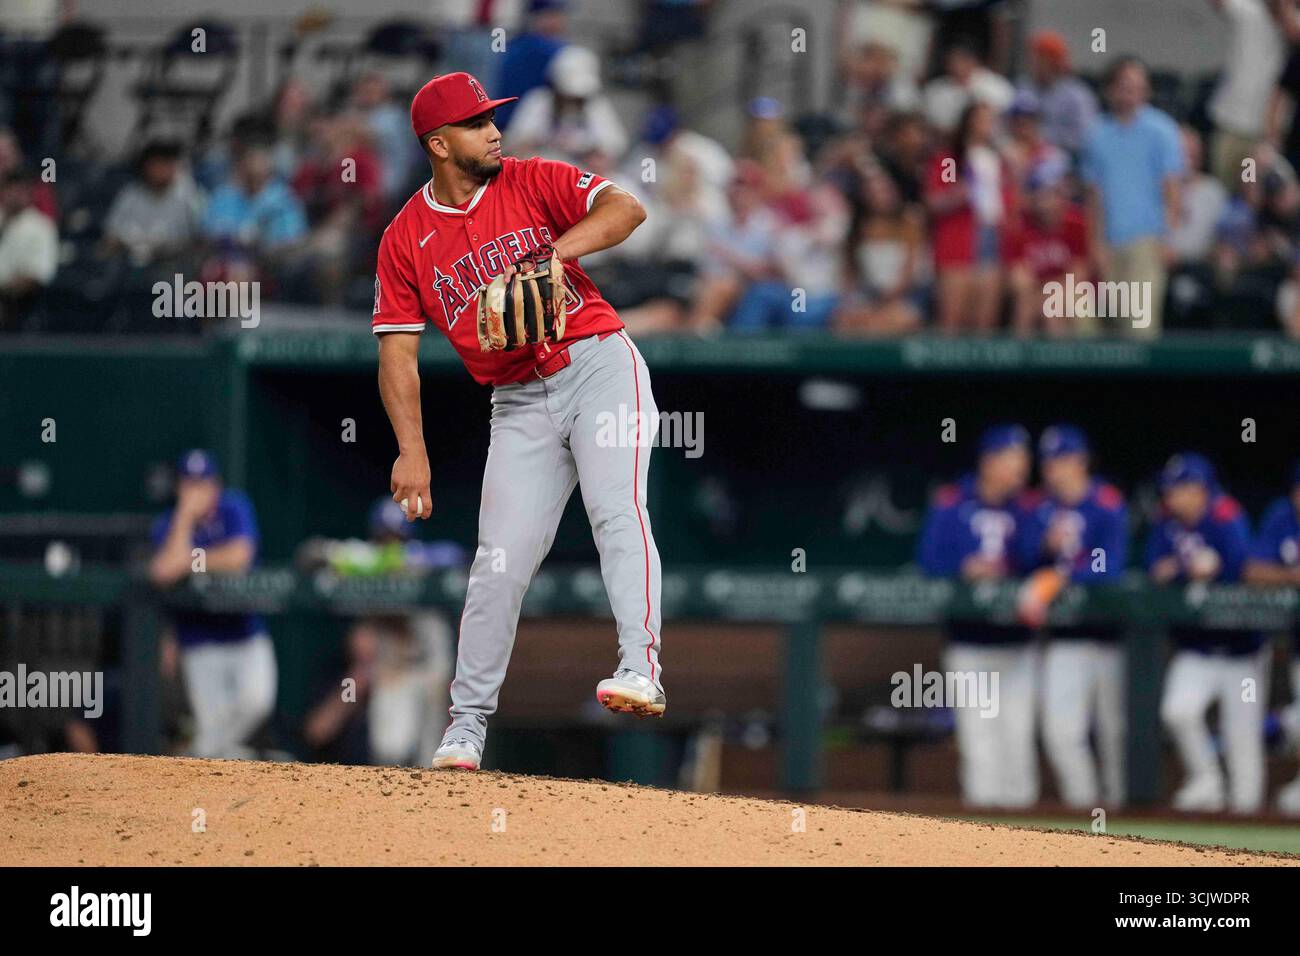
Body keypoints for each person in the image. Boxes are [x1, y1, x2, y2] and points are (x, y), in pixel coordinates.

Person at [373, 72, 662, 771]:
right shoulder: (405, 238)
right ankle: (466, 727)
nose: (494, 130)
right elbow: (398, 355)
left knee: (616, 511)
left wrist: (554, 252)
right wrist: (412, 450)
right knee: (496, 567)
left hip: (597, 364)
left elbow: (628, 209)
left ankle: (640, 667)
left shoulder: (532, 180)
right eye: (476, 124)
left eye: (492, 118)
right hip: (517, 401)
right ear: (439, 144)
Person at [917, 424, 1038, 808]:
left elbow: (1040, 561)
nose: (1020, 468)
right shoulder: (953, 502)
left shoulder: (1030, 508)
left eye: (1023, 460)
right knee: (978, 739)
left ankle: (1028, 837)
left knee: (1017, 735)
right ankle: (983, 838)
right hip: (968, 642)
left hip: (1018, 643)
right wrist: (964, 567)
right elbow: (929, 561)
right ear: (989, 462)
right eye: (1011, 459)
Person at [1018, 426, 1128, 808]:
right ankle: (1087, 811)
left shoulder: (1106, 503)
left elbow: (1109, 567)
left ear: (1081, 461)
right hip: (1066, 639)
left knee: (1115, 733)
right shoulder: (1041, 509)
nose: (1054, 469)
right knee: (1060, 732)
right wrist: (1044, 549)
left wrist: (1065, 574)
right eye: (1048, 461)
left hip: (1112, 638)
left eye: (1062, 460)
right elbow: (1023, 561)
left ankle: (1127, 817)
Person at [1148, 453, 1264, 814]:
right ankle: (1208, 779)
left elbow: (1243, 569)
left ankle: (1250, 825)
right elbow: (1155, 569)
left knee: (1241, 738)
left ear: (1201, 489)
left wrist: (1214, 569)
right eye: (1170, 489)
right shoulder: (1166, 525)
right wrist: (1185, 568)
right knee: (1177, 712)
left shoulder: (1226, 515)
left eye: (1182, 488)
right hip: (1196, 649)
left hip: (1240, 651)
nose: (1173, 496)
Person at [301, 498, 455, 766]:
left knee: (432, 752)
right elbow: (310, 554)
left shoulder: (421, 559)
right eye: (384, 538)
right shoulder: (362, 561)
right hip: (393, 667)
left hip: (428, 664)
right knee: (389, 751)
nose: (391, 544)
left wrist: (399, 560)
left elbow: (454, 555)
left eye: (397, 538)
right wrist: (344, 557)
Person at [147, 450, 277, 760]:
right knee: (212, 725)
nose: (196, 492)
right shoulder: (169, 522)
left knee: (256, 702)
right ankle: (213, 758)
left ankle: (200, 752)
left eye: (202, 484)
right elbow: (162, 571)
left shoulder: (234, 507)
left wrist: (191, 562)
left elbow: (240, 558)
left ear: (215, 485)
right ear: (179, 488)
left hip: (244, 633)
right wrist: (184, 517)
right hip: (199, 640)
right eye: (188, 484)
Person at [1081, 57, 1185, 337]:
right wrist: (1095, 243)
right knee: (1109, 326)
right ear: (1110, 90)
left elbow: (1172, 189)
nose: (1131, 94)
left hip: (1147, 242)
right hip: (1110, 243)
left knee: (1140, 330)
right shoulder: (1096, 135)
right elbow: (1094, 196)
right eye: (1125, 87)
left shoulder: (1163, 130)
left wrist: (1169, 238)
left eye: (1138, 88)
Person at [925, 101, 1016, 333]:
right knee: (952, 320)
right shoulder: (950, 159)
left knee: (985, 320)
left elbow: (1009, 203)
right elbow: (936, 199)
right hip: (959, 237)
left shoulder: (999, 160)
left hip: (991, 237)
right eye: (981, 119)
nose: (986, 125)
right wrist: (960, 194)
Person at [1242, 461, 1300, 814]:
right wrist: (1291, 575)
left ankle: (1280, 725)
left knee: (1292, 721)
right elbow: (1252, 570)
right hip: (1296, 646)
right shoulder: (1282, 517)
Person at [1206, 0, 1287, 191]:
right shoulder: (1249, 11)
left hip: (1260, 136)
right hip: (1228, 126)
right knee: (1220, 189)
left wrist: (1286, 13)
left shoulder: (1292, 27)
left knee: (1249, 189)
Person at [506, 45, 629, 168]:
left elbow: (613, 147)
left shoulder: (596, 106)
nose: (572, 99)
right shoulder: (538, 101)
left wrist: (591, 152)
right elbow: (516, 145)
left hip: (581, 176)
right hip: (540, 173)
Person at [1007, 160, 1090, 336]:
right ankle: (1019, 360)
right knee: (1025, 305)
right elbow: (1019, 281)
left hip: (1071, 294)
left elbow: (1079, 274)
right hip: (1037, 295)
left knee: (1058, 306)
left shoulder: (1076, 224)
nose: (1046, 200)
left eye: (1051, 194)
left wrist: (1049, 294)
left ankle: (1067, 360)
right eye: (1040, 194)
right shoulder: (1020, 229)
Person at [102, 139, 204, 267]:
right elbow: (110, 238)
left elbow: (201, 238)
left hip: (173, 264)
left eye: (167, 164)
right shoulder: (130, 194)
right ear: (146, 167)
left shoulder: (188, 194)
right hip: (130, 262)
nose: (161, 170)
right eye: (156, 164)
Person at [1018, 30, 1098, 157]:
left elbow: (1085, 136)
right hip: (1026, 158)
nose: (1033, 63)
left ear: (1054, 62)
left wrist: (1043, 137)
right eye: (1032, 58)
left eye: (1039, 58)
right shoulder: (1024, 88)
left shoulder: (1078, 95)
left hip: (1068, 162)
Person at [0, 166, 57, 329]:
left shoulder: (41, 226)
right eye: (11, 189)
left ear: (30, 193)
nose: (16, 195)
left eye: (21, 190)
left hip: (18, 303)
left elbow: (37, 276)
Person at [922, 38, 1014, 137]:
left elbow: (1008, 119)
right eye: (952, 60)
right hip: (947, 143)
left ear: (973, 60)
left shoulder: (996, 86)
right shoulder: (934, 90)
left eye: (961, 59)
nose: (956, 65)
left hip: (990, 142)